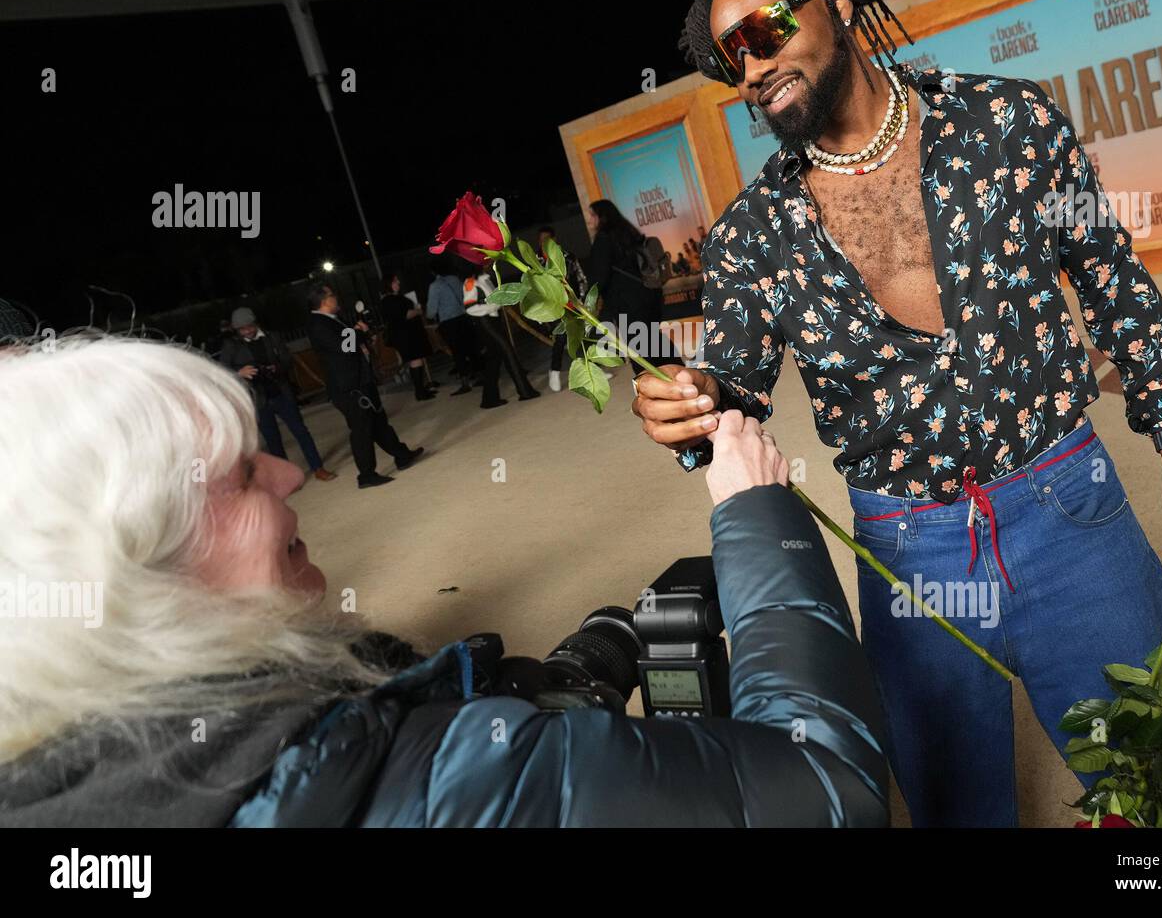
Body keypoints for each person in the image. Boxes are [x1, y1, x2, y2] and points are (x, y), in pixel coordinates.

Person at [632, 0, 1162, 827]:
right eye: (730, 60)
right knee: (957, 810)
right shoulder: (753, 234)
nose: (752, 68)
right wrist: (687, 407)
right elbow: (736, 396)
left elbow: (1109, 273)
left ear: (837, 1)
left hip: (1067, 507)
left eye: (765, 32)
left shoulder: (1008, 122)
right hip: (907, 555)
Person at [0, 337, 888, 827]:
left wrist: (543, 693)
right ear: (145, 578)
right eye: (238, 477)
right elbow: (826, 787)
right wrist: (759, 514)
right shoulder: (424, 786)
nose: (293, 476)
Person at [305, 283, 424, 488]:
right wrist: (359, 332)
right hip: (348, 388)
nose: (336, 298)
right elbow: (344, 347)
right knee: (361, 429)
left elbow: (348, 344)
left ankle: (402, 455)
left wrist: (360, 334)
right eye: (332, 295)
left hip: (360, 381)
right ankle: (366, 475)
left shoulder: (332, 320)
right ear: (324, 300)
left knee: (378, 421)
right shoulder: (318, 324)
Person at [219, 307, 335, 482]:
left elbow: (288, 360)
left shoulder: (272, 337)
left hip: (281, 392)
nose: (247, 331)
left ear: (255, 323)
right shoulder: (231, 346)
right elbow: (221, 372)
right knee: (273, 440)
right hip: (258, 399)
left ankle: (318, 468)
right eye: (242, 329)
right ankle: (287, 478)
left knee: (301, 432)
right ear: (236, 330)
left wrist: (276, 367)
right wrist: (239, 372)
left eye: (250, 326)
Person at [585, 199, 678, 367]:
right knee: (653, 339)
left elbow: (599, 276)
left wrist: (587, 300)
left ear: (602, 217)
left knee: (642, 353)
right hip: (650, 294)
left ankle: (656, 386)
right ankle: (680, 373)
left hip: (627, 303)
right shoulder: (627, 232)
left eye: (592, 215)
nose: (589, 219)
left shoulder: (603, 238)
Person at [463, 269, 540, 410]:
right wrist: (493, 305)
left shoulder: (486, 278)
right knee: (508, 352)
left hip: (493, 320)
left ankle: (489, 399)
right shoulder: (470, 282)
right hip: (485, 322)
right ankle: (525, 391)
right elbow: (469, 308)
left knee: (494, 359)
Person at [537, 224, 589, 393]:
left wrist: (582, 299)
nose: (543, 242)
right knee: (560, 339)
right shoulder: (536, 261)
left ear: (554, 239)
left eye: (546, 239)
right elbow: (533, 288)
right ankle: (555, 371)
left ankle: (590, 372)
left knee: (579, 336)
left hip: (572, 304)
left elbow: (581, 277)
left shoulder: (567, 256)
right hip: (552, 307)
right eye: (541, 239)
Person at [379, 272, 437, 402]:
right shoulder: (390, 300)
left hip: (407, 335)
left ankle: (420, 389)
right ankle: (420, 391)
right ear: (389, 284)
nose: (398, 283)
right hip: (406, 336)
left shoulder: (389, 300)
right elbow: (404, 314)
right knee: (415, 361)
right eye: (395, 281)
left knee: (416, 361)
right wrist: (418, 311)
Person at [426, 256, 478, 396]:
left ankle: (465, 382)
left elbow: (431, 311)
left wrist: (429, 316)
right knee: (471, 347)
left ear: (433, 272)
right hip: (463, 317)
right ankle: (480, 376)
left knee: (457, 352)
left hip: (449, 323)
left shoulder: (435, 286)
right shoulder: (455, 279)